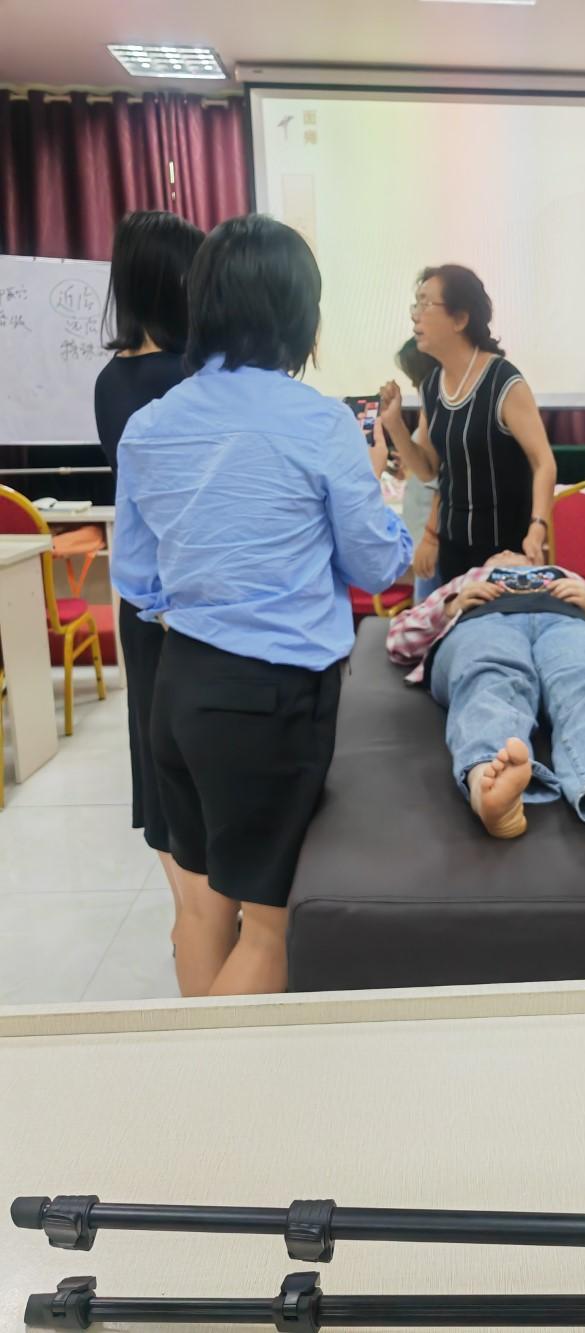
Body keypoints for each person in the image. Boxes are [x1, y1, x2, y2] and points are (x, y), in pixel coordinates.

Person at [112, 214, 413, 997]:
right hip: (271, 700)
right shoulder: (319, 423)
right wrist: (383, 496)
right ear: (299, 314)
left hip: (179, 684)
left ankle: (200, 1067)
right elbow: (376, 564)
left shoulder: (150, 424)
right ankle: (204, 1080)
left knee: (202, 906)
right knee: (270, 927)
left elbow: (136, 580)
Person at [386, 552, 585, 840]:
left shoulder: (568, 578)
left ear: (538, 561)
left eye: (520, 554)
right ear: (487, 564)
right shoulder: (468, 580)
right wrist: (450, 607)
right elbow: (399, 639)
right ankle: (485, 779)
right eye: (499, 554)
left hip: (568, 623)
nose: (508, 551)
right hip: (483, 622)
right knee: (488, 675)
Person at [93, 210, 205, 940]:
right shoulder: (194, 377)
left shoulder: (111, 382)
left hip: (143, 606)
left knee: (158, 757)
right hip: (202, 603)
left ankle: (188, 914)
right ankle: (213, 914)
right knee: (205, 760)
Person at [378, 265, 557, 582]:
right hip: (453, 546)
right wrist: (394, 424)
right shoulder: (432, 386)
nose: (415, 316)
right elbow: (429, 470)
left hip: (506, 548)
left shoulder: (503, 381)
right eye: (415, 304)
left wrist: (538, 527)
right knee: (456, 614)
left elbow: (543, 462)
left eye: (425, 304)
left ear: (460, 319)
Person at [393, 336, 442, 602]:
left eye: (415, 378)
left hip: (431, 533)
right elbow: (425, 469)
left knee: (429, 611)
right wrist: (408, 468)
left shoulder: (437, 409)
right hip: (425, 532)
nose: (413, 386)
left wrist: (431, 537)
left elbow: (436, 477)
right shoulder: (432, 407)